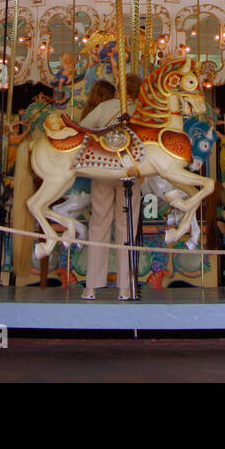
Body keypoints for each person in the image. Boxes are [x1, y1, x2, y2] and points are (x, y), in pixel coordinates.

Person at [80, 75, 142, 301]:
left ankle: (91, 286)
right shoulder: (141, 111)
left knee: (99, 222)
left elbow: (84, 129)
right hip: (130, 170)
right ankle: (125, 286)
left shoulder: (105, 107)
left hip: (104, 167)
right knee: (127, 226)